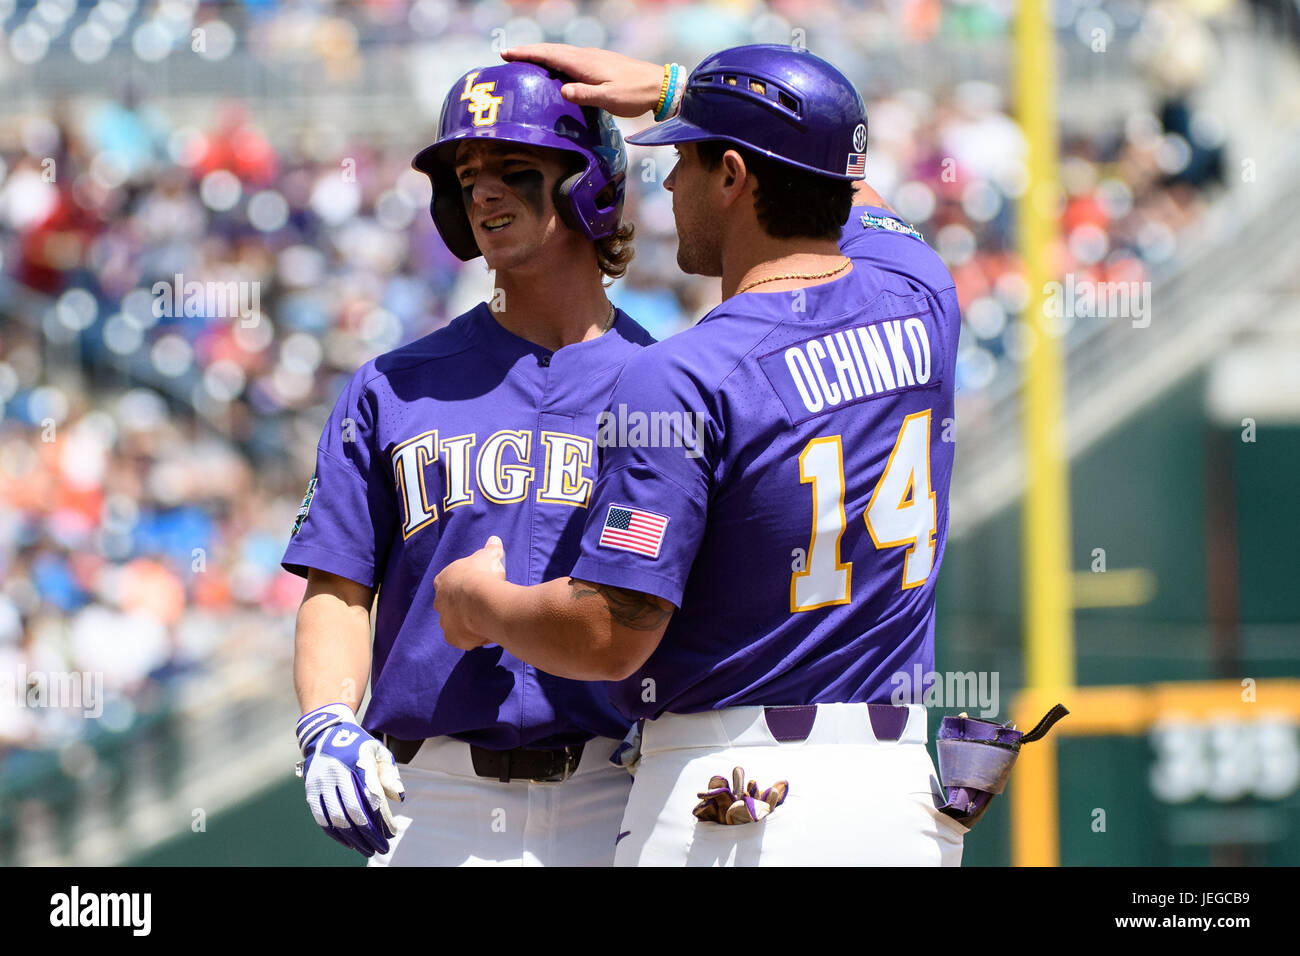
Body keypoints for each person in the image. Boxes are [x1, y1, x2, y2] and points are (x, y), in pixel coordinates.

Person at [432, 44, 968, 865]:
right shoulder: (923, 290)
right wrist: (682, 91)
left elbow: (610, 635)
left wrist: (480, 604)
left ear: (731, 176)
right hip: (897, 799)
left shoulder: (683, 373)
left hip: (734, 797)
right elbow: (841, 176)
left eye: (681, 158)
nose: (669, 185)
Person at [282, 61, 656, 866]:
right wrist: (328, 720)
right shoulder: (392, 385)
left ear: (589, 181)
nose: (483, 193)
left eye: (514, 168)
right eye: (466, 174)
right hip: (433, 802)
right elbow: (338, 588)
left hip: (623, 793)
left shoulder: (673, 386)